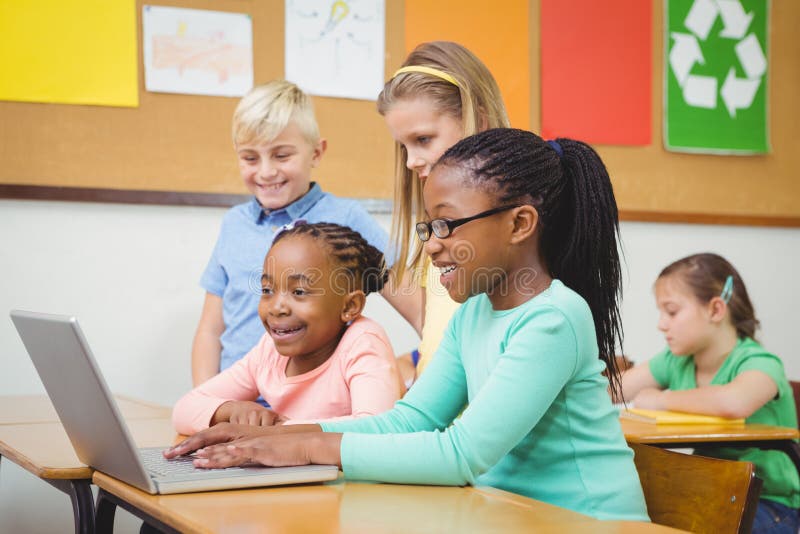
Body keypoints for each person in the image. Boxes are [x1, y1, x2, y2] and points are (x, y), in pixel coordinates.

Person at [166, 128, 647, 521]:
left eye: (446, 224)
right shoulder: (474, 313)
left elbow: (461, 453)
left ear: (520, 224)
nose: (432, 245)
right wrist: (274, 438)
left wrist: (307, 447)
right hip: (509, 515)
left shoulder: (553, 318)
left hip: (585, 522)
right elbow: (411, 420)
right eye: (428, 227)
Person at [192, 80, 395, 386]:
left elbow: (416, 302)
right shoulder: (234, 224)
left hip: (317, 399)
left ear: (316, 153)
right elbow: (209, 329)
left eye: (282, 156)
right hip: (239, 397)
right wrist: (206, 399)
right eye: (250, 158)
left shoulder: (348, 217)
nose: (265, 172)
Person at [619, 253, 799, 533]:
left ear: (715, 310)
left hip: (771, 504)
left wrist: (660, 400)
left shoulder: (761, 363)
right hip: (706, 497)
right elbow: (615, 389)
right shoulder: (676, 360)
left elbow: (733, 402)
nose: (661, 324)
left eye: (672, 311)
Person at [174, 222, 403, 434]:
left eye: (299, 292)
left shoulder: (363, 343)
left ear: (350, 305)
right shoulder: (268, 352)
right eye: (267, 290)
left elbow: (377, 428)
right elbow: (184, 409)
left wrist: (277, 430)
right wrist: (231, 410)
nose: (277, 307)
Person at [378, 41, 512, 382]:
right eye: (404, 146)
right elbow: (441, 332)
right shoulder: (436, 231)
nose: (410, 161)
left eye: (423, 140)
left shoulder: (513, 234)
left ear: (477, 121)